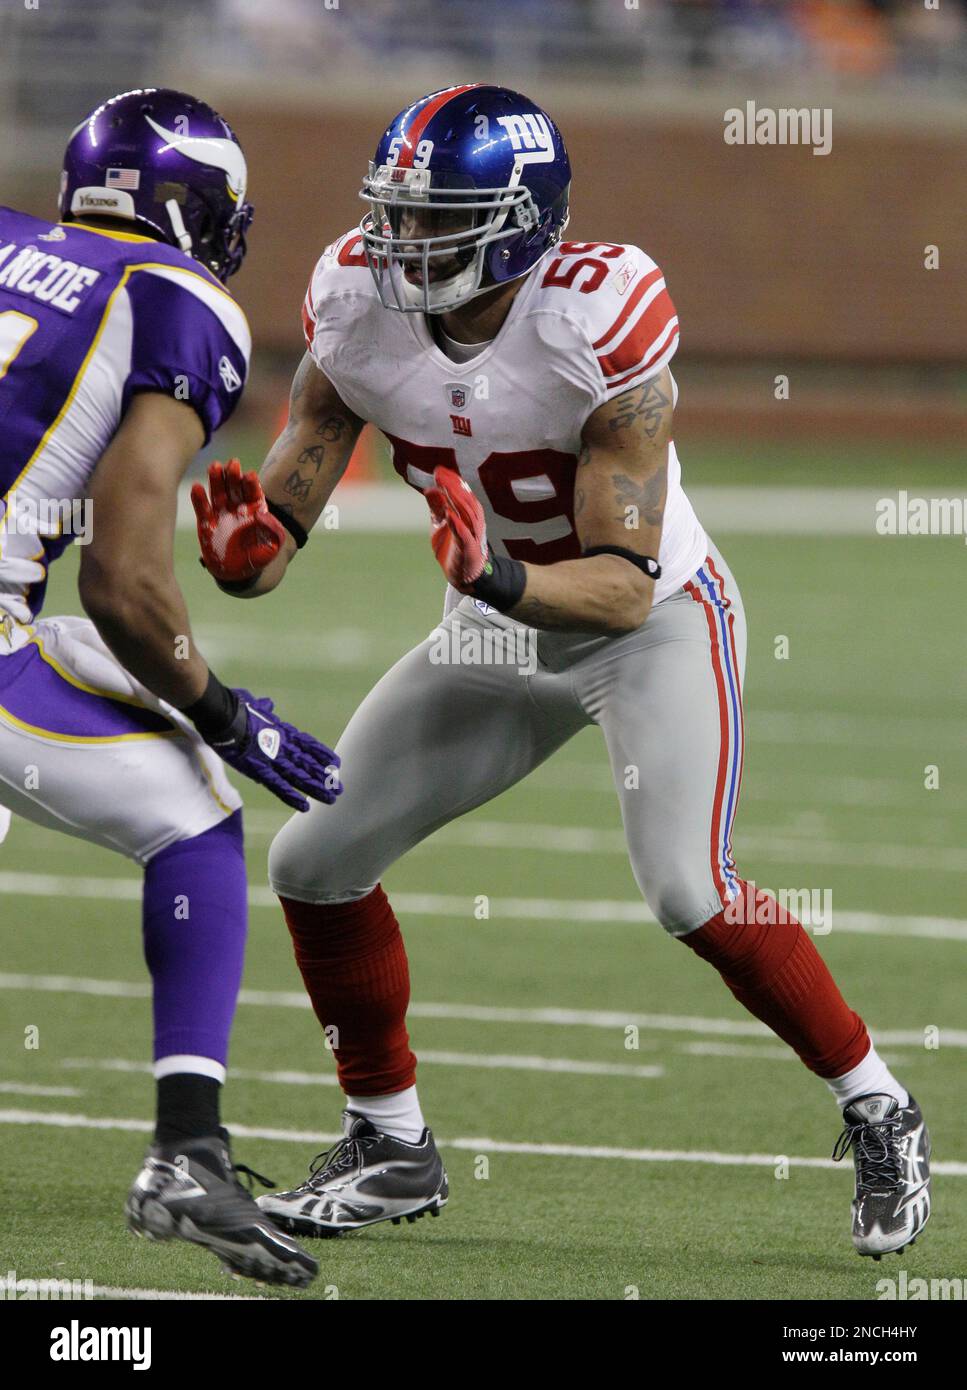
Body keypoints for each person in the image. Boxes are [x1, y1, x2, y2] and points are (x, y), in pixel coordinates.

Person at [194, 84, 930, 1259]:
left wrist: (493, 585)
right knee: (314, 858)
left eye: (435, 220)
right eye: (397, 214)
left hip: (647, 624)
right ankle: (390, 1142)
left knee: (685, 888)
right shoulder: (354, 298)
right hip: (499, 627)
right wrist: (250, 551)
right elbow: (293, 489)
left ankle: (877, 1102)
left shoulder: (598, 317)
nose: (400, 244)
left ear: (519, 222)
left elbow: (623, 585)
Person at [0, 86, 342, 1288]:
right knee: (196, 812)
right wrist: (226, 713)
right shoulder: (180, 299)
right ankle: (185, 1156)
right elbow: (124, 579)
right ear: (196, 210)